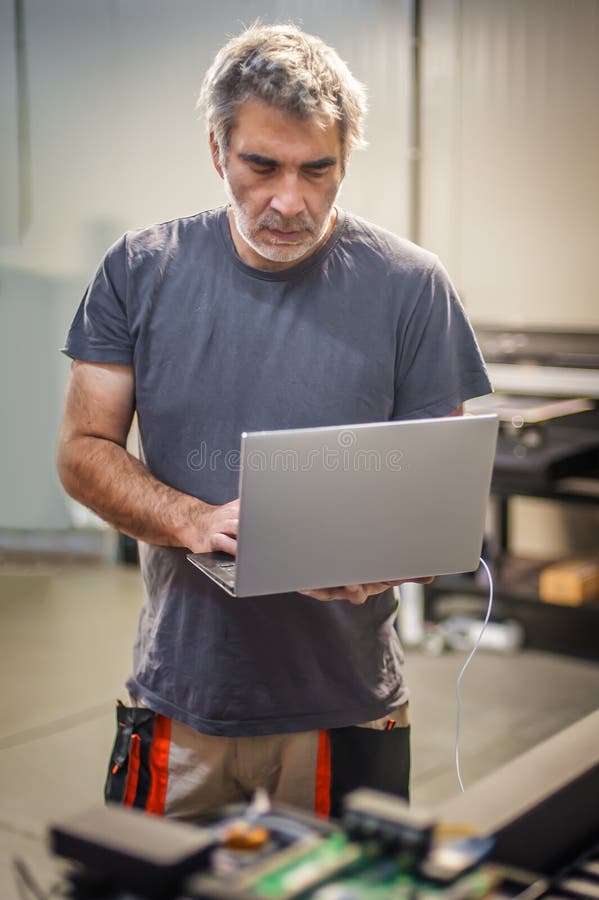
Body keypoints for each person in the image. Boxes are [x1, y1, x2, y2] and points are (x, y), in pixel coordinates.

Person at [57, 23, 491, 821]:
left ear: (344, 161)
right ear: (217, 150)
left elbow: (440, 504)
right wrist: (192, 520)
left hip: (342, 702)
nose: (289, 201)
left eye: (316, 170)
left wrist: (383, 557)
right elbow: (84, 452)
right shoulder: (139, 269)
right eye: (261, 166)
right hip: (184, 694)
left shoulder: (411, 287)